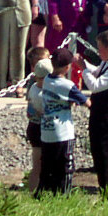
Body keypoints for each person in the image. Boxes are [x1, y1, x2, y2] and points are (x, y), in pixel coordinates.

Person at [74, 29, 108, 194]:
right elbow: (97, 72)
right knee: (97, 149)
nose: (98, 51)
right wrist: (85, 64)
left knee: (107, 152)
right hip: (99, 111)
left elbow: (95, 85)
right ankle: (104, 185)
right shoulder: (107, 63)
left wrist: (83, 69)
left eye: (100, 48)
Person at [38, 48, 89, 195]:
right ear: (68, 67)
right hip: (63, 133)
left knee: (47, 166)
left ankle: (43, 193)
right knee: (65, 167)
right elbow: (86, 102)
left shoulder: (47, 79)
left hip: (46, 131)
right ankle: (64, 195)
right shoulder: (67, 85)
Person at [25, 47, 53, 193]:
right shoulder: (34, 84)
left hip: (44, 126)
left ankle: (45, 189)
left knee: (48, 163)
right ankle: (33, 191)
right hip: (37, 126)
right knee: (37, 164)